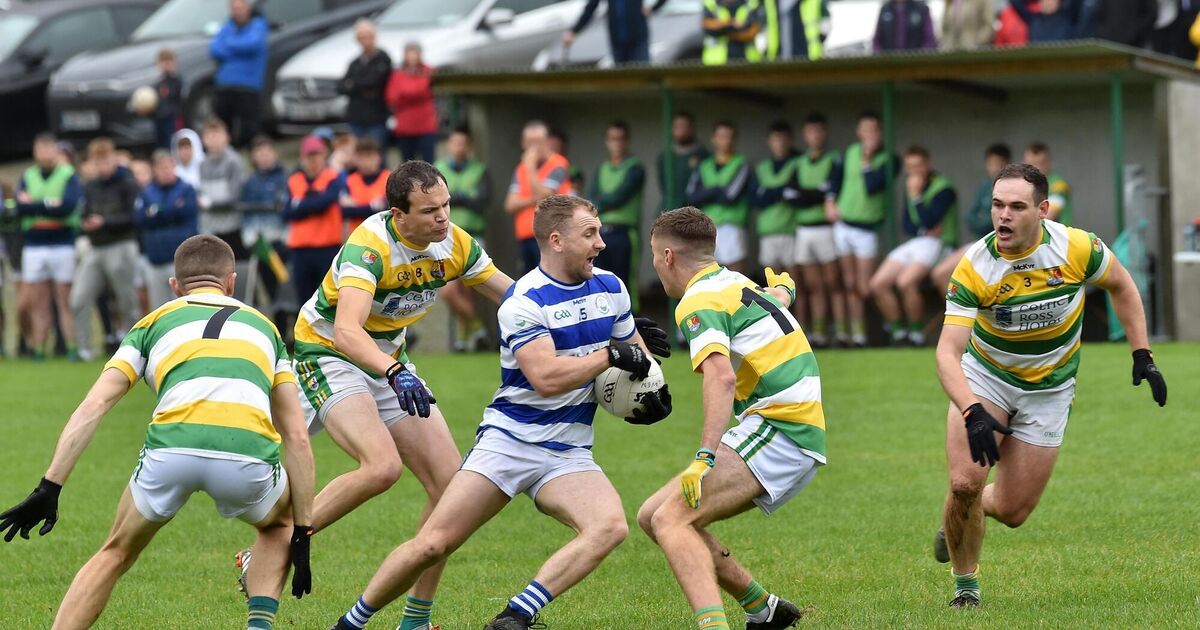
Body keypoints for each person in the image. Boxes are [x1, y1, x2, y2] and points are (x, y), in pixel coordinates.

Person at [326, 194, 670, 630]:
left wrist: (650, 391)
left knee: (609, 526)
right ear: (557, 240)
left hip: (568, 450)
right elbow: (546, 377)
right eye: (590, 234)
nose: (601, 243)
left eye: (599, 232)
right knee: (433, 544)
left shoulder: (611, 288)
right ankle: (350, 624)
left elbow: (634, 357)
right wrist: (610, 354)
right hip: (508, 443)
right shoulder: (523, 301)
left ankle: (515, 616)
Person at [0, 234, 315, 630]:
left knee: (115, 552)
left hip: (171, 449)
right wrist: (303, 530)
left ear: (174, 286)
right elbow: (297, 437)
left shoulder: (151, 323)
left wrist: (50, 486)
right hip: (246, 456)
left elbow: (94, 405)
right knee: (278, 525)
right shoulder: (266, 328)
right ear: (232, 282)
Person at [274, 160, 513, 630]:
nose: (443, 218)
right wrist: (395, 371)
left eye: (446, 205)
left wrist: (597, 319)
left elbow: (517, 296)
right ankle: (276, 546)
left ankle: (415, 620)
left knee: (451, 489)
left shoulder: (455, 242)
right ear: (398, 215)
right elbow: (346, 331)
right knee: (381, 467)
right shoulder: (370, 246)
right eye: (429, 211)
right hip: (330, 352)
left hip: (387, 359)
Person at [932, 164, 1167, 608]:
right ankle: (966, 587)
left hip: (1050, 389)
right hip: (987, 378)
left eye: (1016, 207)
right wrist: (970, 408)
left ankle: (960, 515)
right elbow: (947, 352)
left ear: (1042, 210)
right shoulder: (975, 266)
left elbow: (1121, 285)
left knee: (1013, 511)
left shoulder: (1076, 247)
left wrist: (1143, 354)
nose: (1003, 215)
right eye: (997, 205)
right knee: (964, 482)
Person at [638, 206, 820, 630]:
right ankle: (764, 609)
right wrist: (784, 294)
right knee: (652, 515)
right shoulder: (733, 281)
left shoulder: (697, 301)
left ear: (668, 257)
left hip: (783, 428)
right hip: (788, 422)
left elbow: (720, 378)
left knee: (671, 520)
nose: (656, 265)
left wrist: (704, 456)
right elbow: (769, 303)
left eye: (655, 255)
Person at [868, 146, 957, 346]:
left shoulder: (944, 188)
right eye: (910, 167)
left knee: (905, 282)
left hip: (940, 243)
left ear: (928, 164)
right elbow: (907, 224)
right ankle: (899, 332)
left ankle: (916, 334)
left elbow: (930, 218)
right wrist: (923, 229)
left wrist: (916, 197)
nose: (914, 171)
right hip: (919, 240)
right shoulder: (910, 187)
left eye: (918, 166)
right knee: (877, 283)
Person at [825, 111, 898, 347]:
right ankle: (856, 335)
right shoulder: (849, 153)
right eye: (865, 130)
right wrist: (830, 202)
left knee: (865, 286)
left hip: (867, 229)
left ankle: (890, 326)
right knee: (849, 283)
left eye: (874, 130)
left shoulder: (890, 159)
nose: (869, 135)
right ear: (859, 132)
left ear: (881, 132)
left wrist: (867, 159)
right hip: (844, 224)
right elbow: (834, 181)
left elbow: (873, 186)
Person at [71, 138, 142, 361]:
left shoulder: (127, 183)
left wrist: (105, 222)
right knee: (79, 299)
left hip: (121, 245)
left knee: (127, 302)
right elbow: (84, 212)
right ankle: (84, 349)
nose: (102, 167)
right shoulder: (90, 186)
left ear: (113, 159)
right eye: (97, 162)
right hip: (96, 247)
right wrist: (86, 223)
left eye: (105, 161)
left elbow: (134, 217)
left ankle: (134, 350)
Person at [13, 133, 82, 361]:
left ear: (55, 150)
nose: (44, 153)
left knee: (64, 299)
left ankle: (72, 347)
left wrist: (34, 205)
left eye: (48, 148)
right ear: (35, 152)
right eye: (40, 148)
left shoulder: (68, 174)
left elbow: (68, 207)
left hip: (62, 243)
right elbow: (20, 207)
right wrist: (50, 204)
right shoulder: (28, 176)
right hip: (34, 245)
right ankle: (40, 348)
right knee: (38, 301)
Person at [435, 128, 494, 352]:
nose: (459, 147)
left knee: (469, 290)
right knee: (449, 291)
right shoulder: (438, 169)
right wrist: (465, 198)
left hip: (473, 234)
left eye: (463, 143)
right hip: (444, 237)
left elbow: (482, 202)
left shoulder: (479, 170)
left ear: (469, 146)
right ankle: (478, 330)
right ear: (448, 145)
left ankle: (463, 340)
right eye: (455, 143)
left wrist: (457, 198)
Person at [792, 113, 842, 348]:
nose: (815, 136)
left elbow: (828, 190)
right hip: (804, 229)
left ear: (826, 133)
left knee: (833, 282)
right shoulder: (799, 162)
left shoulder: (834, 159)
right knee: (813, 285)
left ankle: (843, 332)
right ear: (805, 134)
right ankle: (818, 333)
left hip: (825, 228)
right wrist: (812, 194)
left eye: (819, 131)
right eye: (811, 131)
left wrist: (806, 194)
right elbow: (791, 195)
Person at [933, 143, 1010, 291]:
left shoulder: (1011, 188)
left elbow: (998, 222)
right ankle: (958, 305)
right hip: (980, 241)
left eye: (998, 164)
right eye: (991, 164)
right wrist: (984, 222)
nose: (994, 168)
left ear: (1006, 164)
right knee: (940, 273)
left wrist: (985, 221)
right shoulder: (985, 187)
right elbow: (970, 218)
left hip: (1000, 245)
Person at [284, 135, 346, 303]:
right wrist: (314, 201)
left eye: (316, 155)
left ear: (324, 155)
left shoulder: (333, 177)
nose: (313, 160)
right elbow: (287, 212)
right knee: (303, 301)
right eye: (309, 156)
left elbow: (324, 203)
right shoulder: (294, 180)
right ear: (302, 158)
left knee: (328, 299)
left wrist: (300, 204)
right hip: (300, 249)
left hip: (327, 247)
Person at [505, 121, 573, 273]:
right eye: (530, 142)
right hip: (525, 236)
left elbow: (543, 197)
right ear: (523, 144)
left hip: (550, 236)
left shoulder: (558, 164)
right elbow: (510, 204)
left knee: (550, 277)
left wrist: (530, 167)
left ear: (548, 142)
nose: (534, 147)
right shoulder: (520, 169)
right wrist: (534, 199)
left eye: (538, 142)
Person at [134, 150, 199, 309]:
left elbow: (187, 213)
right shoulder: (147, 192)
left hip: (181, 261)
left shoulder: (186, 189)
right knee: (160, 310)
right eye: (162, 168)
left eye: (170, 167)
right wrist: (171, 211)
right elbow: (140, 219)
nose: (167, 171)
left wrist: (157, 212)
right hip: (155, 259)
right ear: (155, 170)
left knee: (185, 307)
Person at [588, 120, 645, 298]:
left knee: (625, 283)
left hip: (624, 232)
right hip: (600, 232)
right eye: (613, 139)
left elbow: (618, 197)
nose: (617, 144)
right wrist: (603, 201)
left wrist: (601, 202)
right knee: (600, 281)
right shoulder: (602, 168)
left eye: (620, 139)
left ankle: (631, 314)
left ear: (627, 141)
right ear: (607, 141)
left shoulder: (635, 167)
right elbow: (590, 198)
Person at [239, 135, 292, 331]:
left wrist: (288, 236)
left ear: (275, 153)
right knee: (270, 291)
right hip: (262, 245)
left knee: (287, 289)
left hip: (282, 243)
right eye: (259, 152)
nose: (264, 156)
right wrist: (250, 238)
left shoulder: (285, 179)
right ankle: (279, 332)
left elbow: (289, 211)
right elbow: (246, 213)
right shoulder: (249, 182)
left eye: (267, 151)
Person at [686, 120, 752, 274]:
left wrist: (707, 192)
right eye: (721, 136)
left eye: (729, 137)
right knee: (710, 274)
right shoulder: (704, 165)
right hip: (708, 226)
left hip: (732, 225)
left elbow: (730, 196)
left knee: (736, 275)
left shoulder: (741, 164)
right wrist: (717, 190)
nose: (725, 141)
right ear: (713, 138)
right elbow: (692, 196)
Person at [749, 120, 804, 296]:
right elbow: (755, 199)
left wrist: (768, 192)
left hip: (790, 230)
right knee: (773, 286)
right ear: (769, 141)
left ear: (791, 140)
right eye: (775, 139)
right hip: (767, 230)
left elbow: (796, 193)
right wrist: (781, 192)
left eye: (783, 139)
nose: (779, 143)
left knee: (795, 285)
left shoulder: (798, 163)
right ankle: (779, 315)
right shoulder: (762, 167)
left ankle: (798, 315)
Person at [209, 0, 269, 147]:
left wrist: (229, 45)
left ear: (248, 8)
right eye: (234, 8)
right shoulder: (226, 27)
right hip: (225, 85)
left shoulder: (258, 26)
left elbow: (252, 44)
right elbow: (215, 49)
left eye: (241, 7)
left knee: (249, 129)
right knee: (223, 126)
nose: (238, 11)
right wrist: (238, 48)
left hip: (248, 86)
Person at [198, 118, 248, 263]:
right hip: (211, 229)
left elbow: (234, 196)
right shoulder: (202, 164)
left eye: (217, 134)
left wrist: (209, 204)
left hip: (233, 227)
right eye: (209, 135)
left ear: (227, 137)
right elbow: (202, 193)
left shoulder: (234, 161)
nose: (214, 139)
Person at [340, 19, 393, 151]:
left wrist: (353, 84)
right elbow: (341, 87)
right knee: (358, 155)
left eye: (368, 36)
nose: (365, 41)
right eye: (361, 37)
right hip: (356, 118)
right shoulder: (355, 62)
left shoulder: (383, 58)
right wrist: (360, 86)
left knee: (375, 154)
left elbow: (373, 82)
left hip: (376, 118)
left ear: (374, 36)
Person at [564, 0, 668, 64]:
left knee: (641, 78)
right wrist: (574, 31)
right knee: (622, 81)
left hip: (638, 39)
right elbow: (591, 8)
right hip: (617, 41)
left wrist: (653, 9)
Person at [386, 43, 438, 163]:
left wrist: (404, 94)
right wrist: (416, 94)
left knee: (429, 165)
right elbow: (391, 98)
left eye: (415, 53)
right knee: (407, 166)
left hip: (425, 127)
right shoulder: (397, 75)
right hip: (405, 128)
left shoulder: (428, 71)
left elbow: (420, 90)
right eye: (409, 54)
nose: (412, 57)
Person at [340, 137, 389, 235]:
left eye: (370, 156)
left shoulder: (389, 178)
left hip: (383, 235)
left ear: (379, 157)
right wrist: (372, 207)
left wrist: (357, 207)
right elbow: (343, 211)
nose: (367, 161)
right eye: (362, 157)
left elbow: (387, 209)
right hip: (357, 236)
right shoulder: (349, 180)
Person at [702, 0, 765, 65]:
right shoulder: (710, 3)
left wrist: (727, 30)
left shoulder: (752, 3)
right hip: (716, 63)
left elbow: (754, 31)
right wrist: (730, 24)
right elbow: (707, 25)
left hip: (748, 62)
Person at [1023, 142, 1072, 224]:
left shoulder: (1058, 185)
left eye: (1039, 163)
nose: (1034, 168)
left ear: (1048, 163)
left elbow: (1047, 216)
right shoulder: (1025, 184)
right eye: (1030, 164)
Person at [873, 0, 938, 51]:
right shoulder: (885, 9)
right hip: (889, 61)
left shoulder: (922, 9)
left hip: (915, 61)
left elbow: (930, 40)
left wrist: (919, 58)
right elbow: (877, 40)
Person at [1010, 0, 1083, 43]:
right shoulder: (1033, 19)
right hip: (1038, 61)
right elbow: (1016, 2)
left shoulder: (1068, 16)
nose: (1047, 2)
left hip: (1063, 60)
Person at [153, 48, 183, 150]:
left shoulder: (177, 80)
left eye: (168, 61)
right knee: (161, 142)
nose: (166, 65)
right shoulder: (158, 82)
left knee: (171, 142)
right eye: (163, 62)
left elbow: (176, 96)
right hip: (159, 118)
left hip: (172, 118)